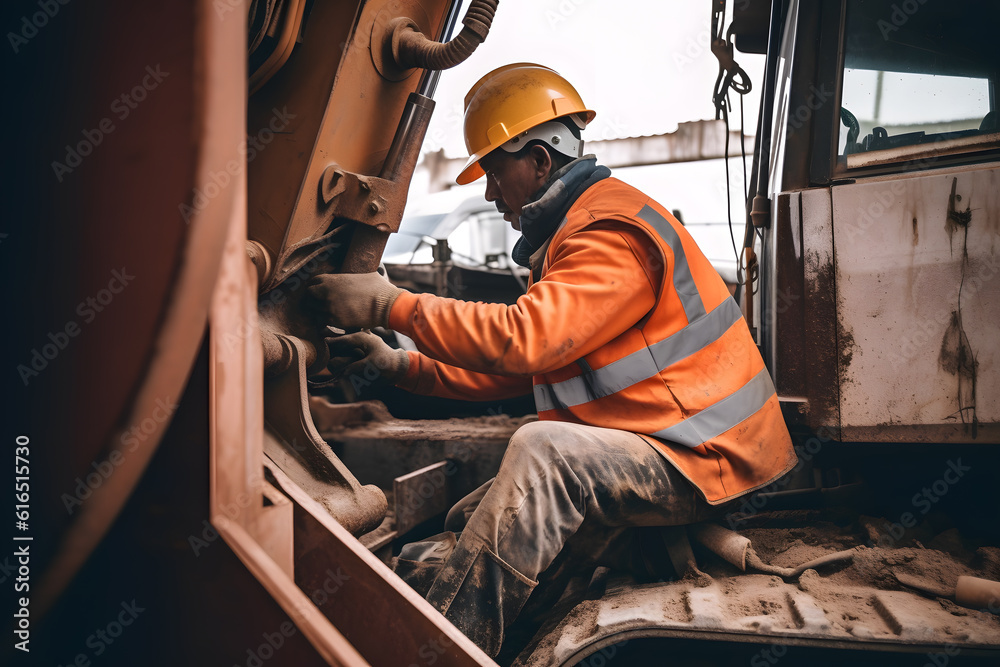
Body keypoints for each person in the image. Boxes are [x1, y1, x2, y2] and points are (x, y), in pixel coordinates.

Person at [307, 63, 797, 657]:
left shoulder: (610, 231)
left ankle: (435, 651)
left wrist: (393, 306)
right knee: (478, 514)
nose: (489, 193)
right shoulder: (575, 234)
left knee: (543, 454)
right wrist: (399, 367)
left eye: (493, 171)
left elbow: (524, 339)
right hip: (669, 448)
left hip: (704, 462)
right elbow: (527, 365)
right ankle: (487, 628)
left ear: (539, 160)